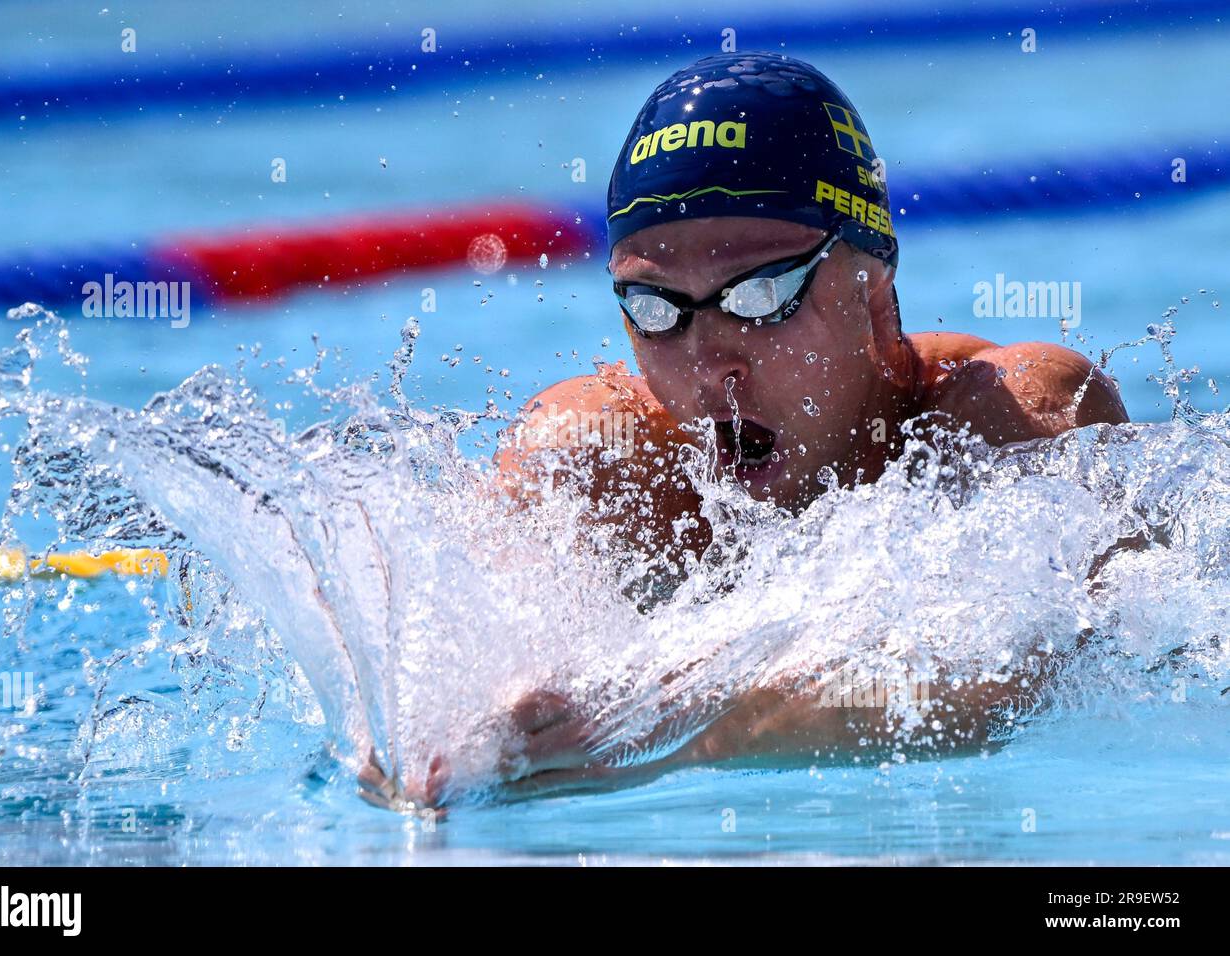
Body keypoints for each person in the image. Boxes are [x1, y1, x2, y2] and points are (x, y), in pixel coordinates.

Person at [360, 52, 1128, 811]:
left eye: (762, 297)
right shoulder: (598, 456)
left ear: (876, 296)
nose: (709, 366)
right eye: (656, 308)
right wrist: (442, 731)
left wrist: (662, 730)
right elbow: (471, 655)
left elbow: (993, 682)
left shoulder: (1011, 412)